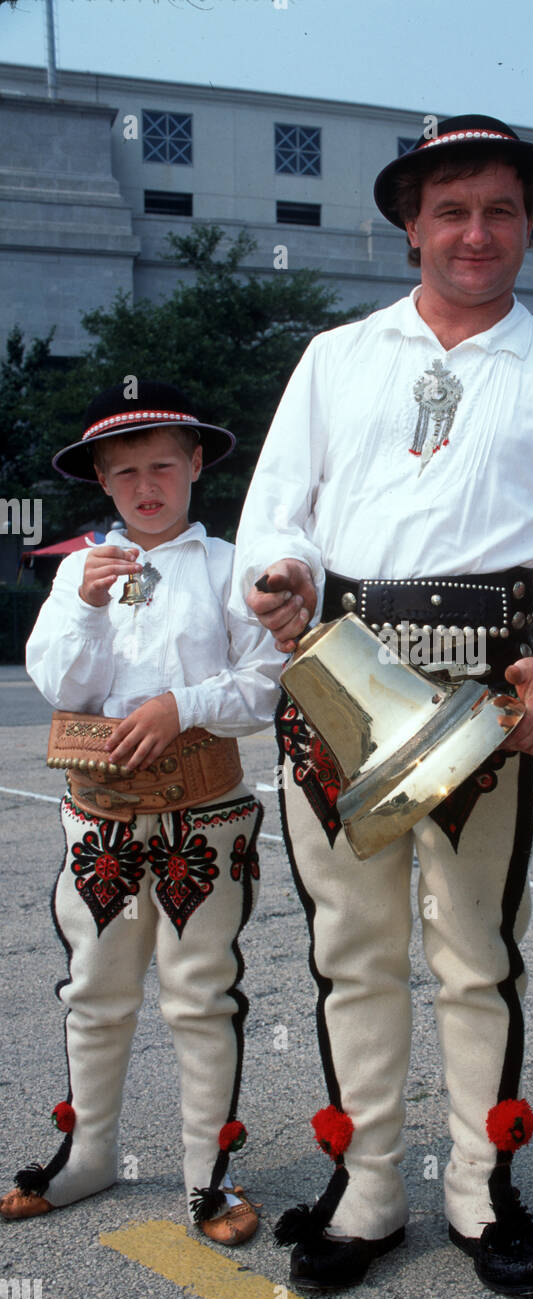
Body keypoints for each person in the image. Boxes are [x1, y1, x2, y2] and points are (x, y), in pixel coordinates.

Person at [231, 115, 533, 1294]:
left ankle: (479, 1188)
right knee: (351, 949)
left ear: (530, 228)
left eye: (499, 210)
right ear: (408, 224)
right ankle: (364, 1191)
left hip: (487, 678)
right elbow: (276, 514)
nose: (474, 232)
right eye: (449, 210)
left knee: (474, 954)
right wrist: (279, 575)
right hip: (342, 671)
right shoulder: (334, 356)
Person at [0, 382, 282, 1246]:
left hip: (206, 809)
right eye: (124, 472)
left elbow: (266, 685)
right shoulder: (79, 571)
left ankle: (209, 1176)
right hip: (102, 812)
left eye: (162, 465)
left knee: (200, 994)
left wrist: (179, 706)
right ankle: (88, 1156)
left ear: (196, 463)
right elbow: (61, 685)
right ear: (101, 480)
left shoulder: (234, 565)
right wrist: (85, 605)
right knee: (96, 989)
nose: (145, 485)